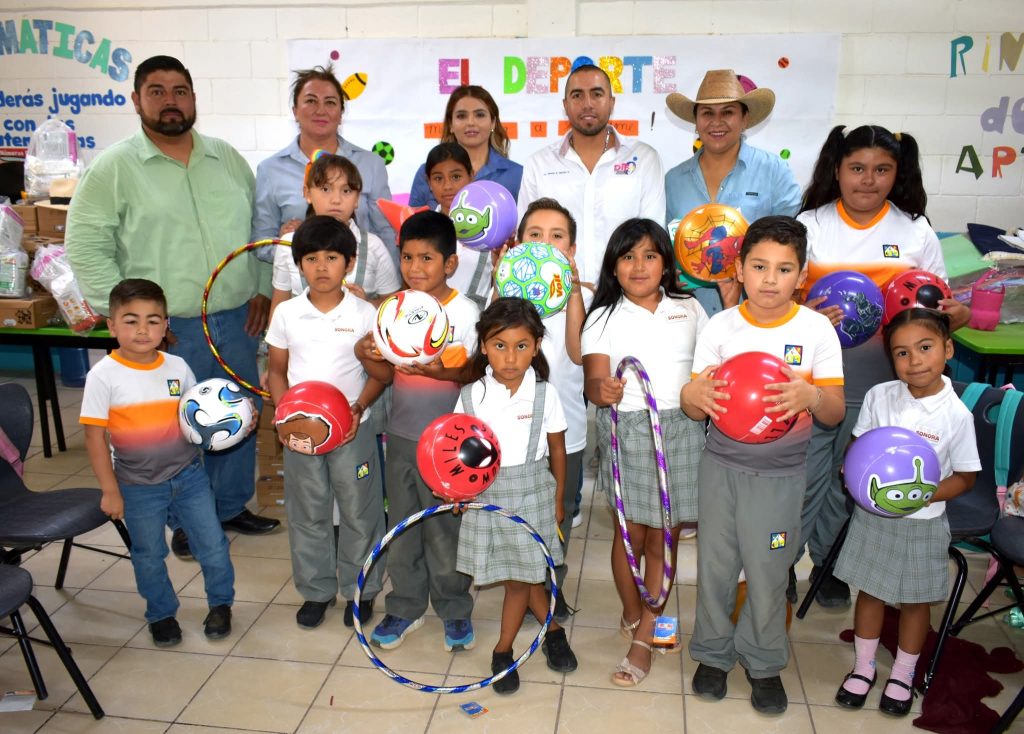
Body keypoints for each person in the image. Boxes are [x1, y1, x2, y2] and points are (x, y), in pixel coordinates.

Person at [65, 55, 278, 560]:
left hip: (236, 319)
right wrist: (135, 324)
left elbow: (258, 234)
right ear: (136, 100)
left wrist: (264, 288)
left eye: (180, 90)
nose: (170, 101)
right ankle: (187, 520)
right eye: (156, 91)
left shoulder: (226, 159)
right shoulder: (113, 169)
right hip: (170, 329)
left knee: (239, 418)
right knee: (182, 431)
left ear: (193, 100)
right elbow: (86, 246)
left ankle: (229, 506)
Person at [794, 125, 971, 609]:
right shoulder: (811, 224)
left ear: (898, 173)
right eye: (857, 168)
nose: (867, 180)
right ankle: (785, 562)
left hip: (880, 380)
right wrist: (804, 311)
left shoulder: (915, 230)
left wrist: (959, 314)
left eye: (881, 170)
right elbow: (781, 295)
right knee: (802, 474)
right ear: (837, 170)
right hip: (812, 374)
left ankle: (827, 563)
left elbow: (938, 306)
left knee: (847, 477)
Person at [683, 216, 845, 714]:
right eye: (759, 266)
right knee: (715, 566)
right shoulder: (721, 327)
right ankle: (713, 654)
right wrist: (691, 394)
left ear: (801, 276)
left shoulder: (816, 329)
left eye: (784, 269)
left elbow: (835, 413)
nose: (770, 279)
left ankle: (764, 662)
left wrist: (811, 394)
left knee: (770, 569)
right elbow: (695, 405)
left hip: (781, 478)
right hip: (721, 470)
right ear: (739, 268)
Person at [833, 308, 979, 716]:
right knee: (871, 590)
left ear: (948, 349)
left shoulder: (957, 415)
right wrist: (852, 470)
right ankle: (863, 668)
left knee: (915, 602)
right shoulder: (880, 396)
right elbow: (858, 444)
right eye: (901, 353)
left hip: (923, 523)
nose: (914, 360)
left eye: (925, 347)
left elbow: (965, 478)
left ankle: (903, 672)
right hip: (874, 517)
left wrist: (922, 495)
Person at [581, 218, 707, 687]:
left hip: (681, 428)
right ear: (614, 266)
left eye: (650, 255)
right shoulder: (603, 316)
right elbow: (593, 382)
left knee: (663, 537)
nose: (639, 265)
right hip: (628, 430)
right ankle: (635, 613)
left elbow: (710, 364)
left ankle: (647, 631)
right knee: (630, 534)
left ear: (666, 263)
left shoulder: (690, 306)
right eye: (628, 256)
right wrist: (604, 389)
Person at [80, 279, 235, 647]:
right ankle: (161, 613)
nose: (143, 330)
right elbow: (94, 438)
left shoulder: (178, 367)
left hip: (189, 477)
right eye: (131, 320)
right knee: (149, 554)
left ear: (166, 326)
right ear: (111, 325)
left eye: (153, 320)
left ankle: (221, 604)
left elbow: (196, 415)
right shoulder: (103, 376)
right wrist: (109, 490)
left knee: (212, 544)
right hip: (136, 486)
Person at [358, 211, 479, 652]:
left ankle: (454, 607)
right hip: (402, 436)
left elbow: (470, 375)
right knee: (404, 524)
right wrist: (364, 351)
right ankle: (405, 604)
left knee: (446, 530)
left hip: (448, 443)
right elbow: (385, 374)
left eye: (426, 258)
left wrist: (440, 371)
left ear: (449, 264)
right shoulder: (395, 309)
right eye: (407, 257)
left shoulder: (464, 313)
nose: (414, 268)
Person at [265, 216, 392, 630]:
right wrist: (285, 419)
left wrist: (357, 409)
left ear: (350, 263)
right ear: (299, 264)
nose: (322, 267)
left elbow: (381, 374)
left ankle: (363, 589)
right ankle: (316, 591)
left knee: (360, 512)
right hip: (302, 436)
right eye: (312, 258)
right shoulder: (286, 313)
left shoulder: (365, 313)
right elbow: (277, 372)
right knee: (308, 512)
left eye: (332, 257)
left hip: (354, 431)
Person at [455, 298, 579, 694]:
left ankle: (503, 651)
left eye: (521, 346)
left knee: (518, 581)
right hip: (488, 495)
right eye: (500, 345)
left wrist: (559, 499)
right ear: (484, 346)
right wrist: (458, 490)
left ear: (537, 345)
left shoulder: (545, 395)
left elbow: (557, 450)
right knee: (521, 576)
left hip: (532, 495)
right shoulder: (471, 395)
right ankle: (553, 631)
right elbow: (458, 452)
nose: (510, 357)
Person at [664, 69, 801, 317]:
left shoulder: (774, 171)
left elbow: (793, 244)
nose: (717, 122)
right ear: (696, 121)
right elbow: (662, 246)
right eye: (707, 113)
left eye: (728, 112)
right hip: (689, 315)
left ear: (745, 118)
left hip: (758, 314)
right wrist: (667, 271)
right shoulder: (673, 180)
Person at [518, 64, 665, 285]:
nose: (587, 104)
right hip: (556, 302)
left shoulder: (644, 159)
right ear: (565, 105)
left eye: (597, 94)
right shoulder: (538, 164)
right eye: (577, 95)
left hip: (624, 302)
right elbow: (528, 244)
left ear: (612, 102)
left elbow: (652, 240)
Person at [516, 198, 590, 620]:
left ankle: (550, 581)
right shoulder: (508, 291)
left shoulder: (578, 300)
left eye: (556, 236)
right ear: (517, 243)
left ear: (572, 250)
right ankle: (525, 585)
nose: (544, 243)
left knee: (559, 507)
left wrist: (575, 289)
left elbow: (579, 354)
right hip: (514, 433)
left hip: (567, 433)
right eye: (534, 235)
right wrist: (500, 281)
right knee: (519, 507)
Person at [252, 64, 396, 266]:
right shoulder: (270, 170)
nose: (320, 110)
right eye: (310, 101)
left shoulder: (371, 164)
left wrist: (393, 289)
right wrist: (293, 242)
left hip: (363, 290)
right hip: (300, 290)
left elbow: (386, 233)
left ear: (340, 113)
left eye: (330, 102)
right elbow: (261, 244)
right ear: (295, 111)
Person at [269, 151, 400, 316]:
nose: (336, 200)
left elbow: (393, 305)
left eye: (346, 191)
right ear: (307, 193)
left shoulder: (373, 246)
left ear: (357, 198)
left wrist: (366, 304)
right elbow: (278, 306)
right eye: (325, 189)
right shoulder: (288, 244)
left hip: (360, 340)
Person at [409, 85, 522, 209]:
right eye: (462, 116)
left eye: (479, 115)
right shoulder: (426, 172)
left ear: (493, 123)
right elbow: (413, 225)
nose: (471, 122)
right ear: (451, 124)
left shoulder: (517, 174)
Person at [423, 142, 493, 308]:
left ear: (471, 176)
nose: (447, 186)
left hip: (477, 326)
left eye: (456, 177)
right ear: (429, 182)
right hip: (429, 323)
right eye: (438, 178)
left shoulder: (492, 228)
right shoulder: (421, 228)